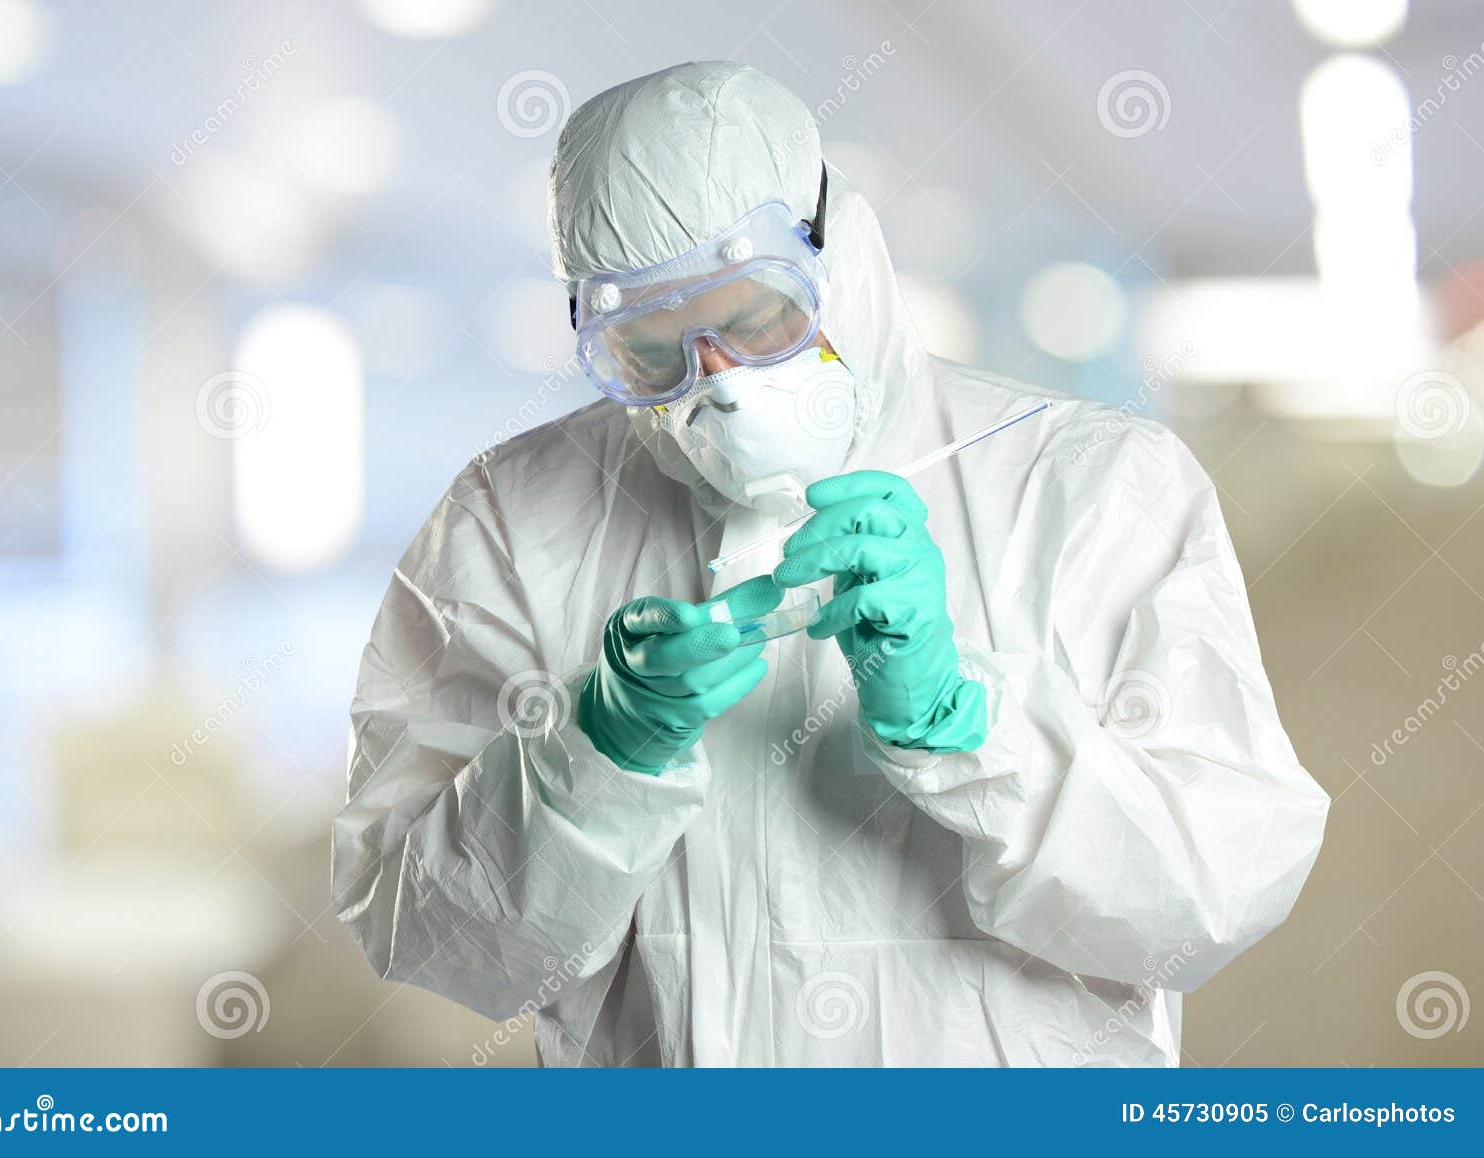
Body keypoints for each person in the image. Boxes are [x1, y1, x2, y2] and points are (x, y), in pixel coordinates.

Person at [331, 61, 1329, 1066]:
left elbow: (1213, 897)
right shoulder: (514, 513)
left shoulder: (1088, 481)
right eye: (653, 349)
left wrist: (968, 726)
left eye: (759, 319)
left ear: (836, 252)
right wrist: (593, 757)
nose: (716, 385)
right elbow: (424, 934)